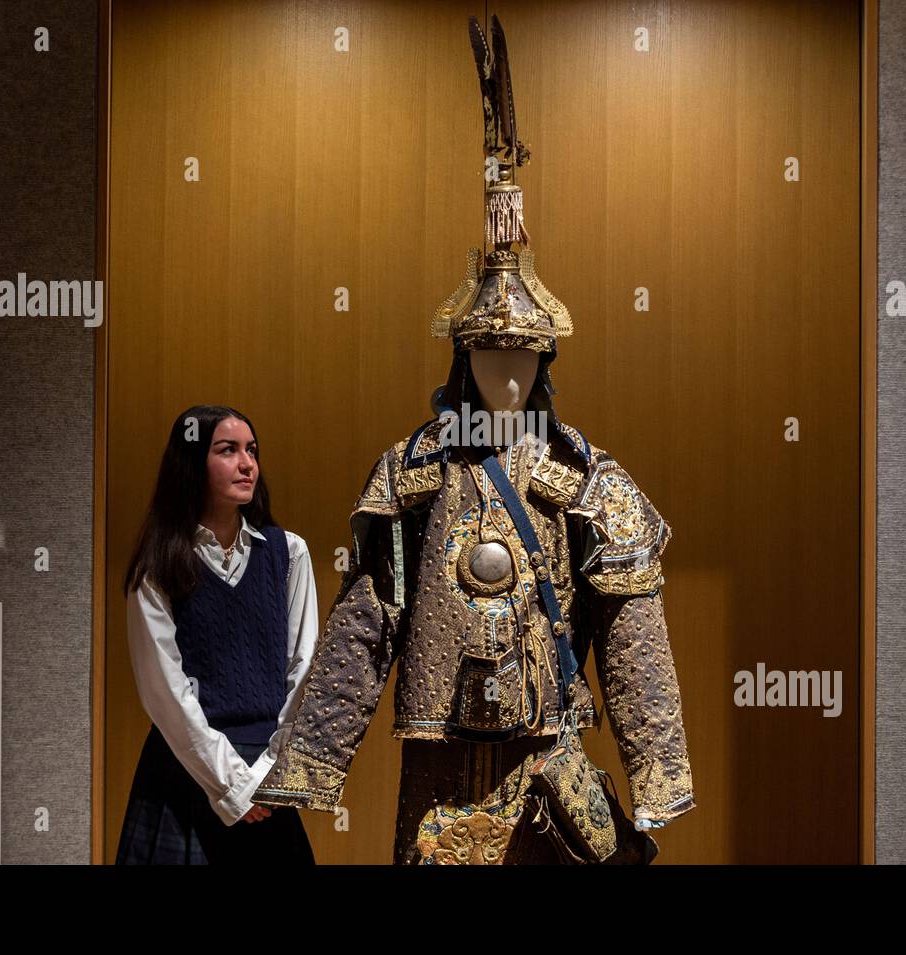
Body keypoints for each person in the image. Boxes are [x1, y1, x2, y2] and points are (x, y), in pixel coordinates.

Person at [250, 17, 693, 864]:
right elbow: (369, 618)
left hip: (549, 763)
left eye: (524, 357)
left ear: (546, 360)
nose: (508, 376)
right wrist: (309, 758)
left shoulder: (584, 478)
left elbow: (633, 638)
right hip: (439, 767)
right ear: (462, 356)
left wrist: (655, 769)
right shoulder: (415, 471)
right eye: (490, 354)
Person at [115, 404, 318, 864]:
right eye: (228, 450)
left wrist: (267, 777)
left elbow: (303, 672)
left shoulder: (290, 553)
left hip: (269, 770)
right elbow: (163, 690)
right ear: (191, 463)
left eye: (252, 450)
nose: (247, 464)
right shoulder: (158, 564)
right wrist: (229, 785)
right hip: (187, 770)